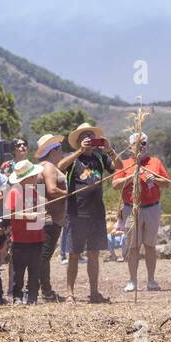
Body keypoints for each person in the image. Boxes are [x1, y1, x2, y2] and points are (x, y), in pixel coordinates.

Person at [61, 122, 117, 303]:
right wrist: (78, 152)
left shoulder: (101, 158)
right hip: (76, 213)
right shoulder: (73, 159)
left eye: (91, 137)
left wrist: (110, 150)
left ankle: (94, 292)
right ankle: (70, 292)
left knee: (94, 253)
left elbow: (119, 166)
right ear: (78, 141)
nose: (89, 140)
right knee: (74, 253)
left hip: (96, 213)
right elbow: (60, 166)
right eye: (85, 137)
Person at [111, 133, 169, 293]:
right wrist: (131, 177)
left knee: (150, 245)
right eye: (137, 144)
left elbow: (167, 183)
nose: (141, 146)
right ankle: (132, 281)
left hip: (152, 207)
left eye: (143, 143)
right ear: (130, 147)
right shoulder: (124, 163)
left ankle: (151, 280)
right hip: (131, 208)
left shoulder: (155, 162)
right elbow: (115, 185)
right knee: (133, 246)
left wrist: (155, 179)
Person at [34, 134, 68, 302]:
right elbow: (52, 190)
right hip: (49, 217)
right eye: (60, 148)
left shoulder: (42, 166)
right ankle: (46, 291)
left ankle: (41, 289)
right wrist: (70, 194)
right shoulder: (48, 167)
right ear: (53, 151)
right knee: (44, 256)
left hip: (46, 216)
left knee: (42, 255)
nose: (62, 151)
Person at [5, 160, 45, 305]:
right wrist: (29, 216)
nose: (37, 178)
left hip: (37, 237)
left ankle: (33, 296)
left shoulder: (34, 192)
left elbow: (38, 210)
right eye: (34, 176)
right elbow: (10, 214)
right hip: (21, 239)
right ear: (27, 178)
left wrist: (41, 215)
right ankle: (17, 296)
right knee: (19, 271)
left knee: (35, 270)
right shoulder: (15, 192)